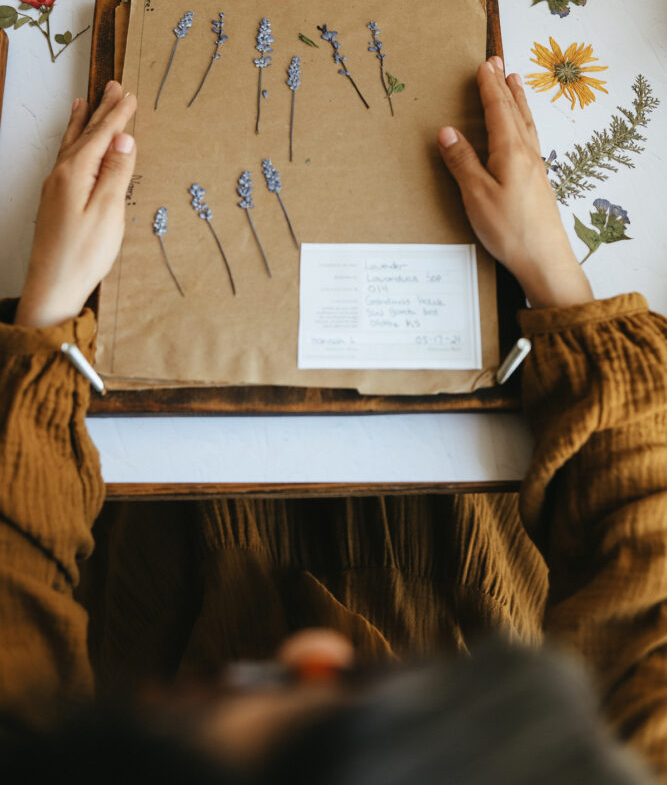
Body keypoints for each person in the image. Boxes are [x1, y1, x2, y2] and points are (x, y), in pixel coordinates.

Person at [0, 61, 665, 780]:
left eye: (195, 706)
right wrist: (553, 277)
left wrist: (47, 313)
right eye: (400, 697)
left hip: (176, 558)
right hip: (472, 533)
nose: (312, 648)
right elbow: (648, 537)